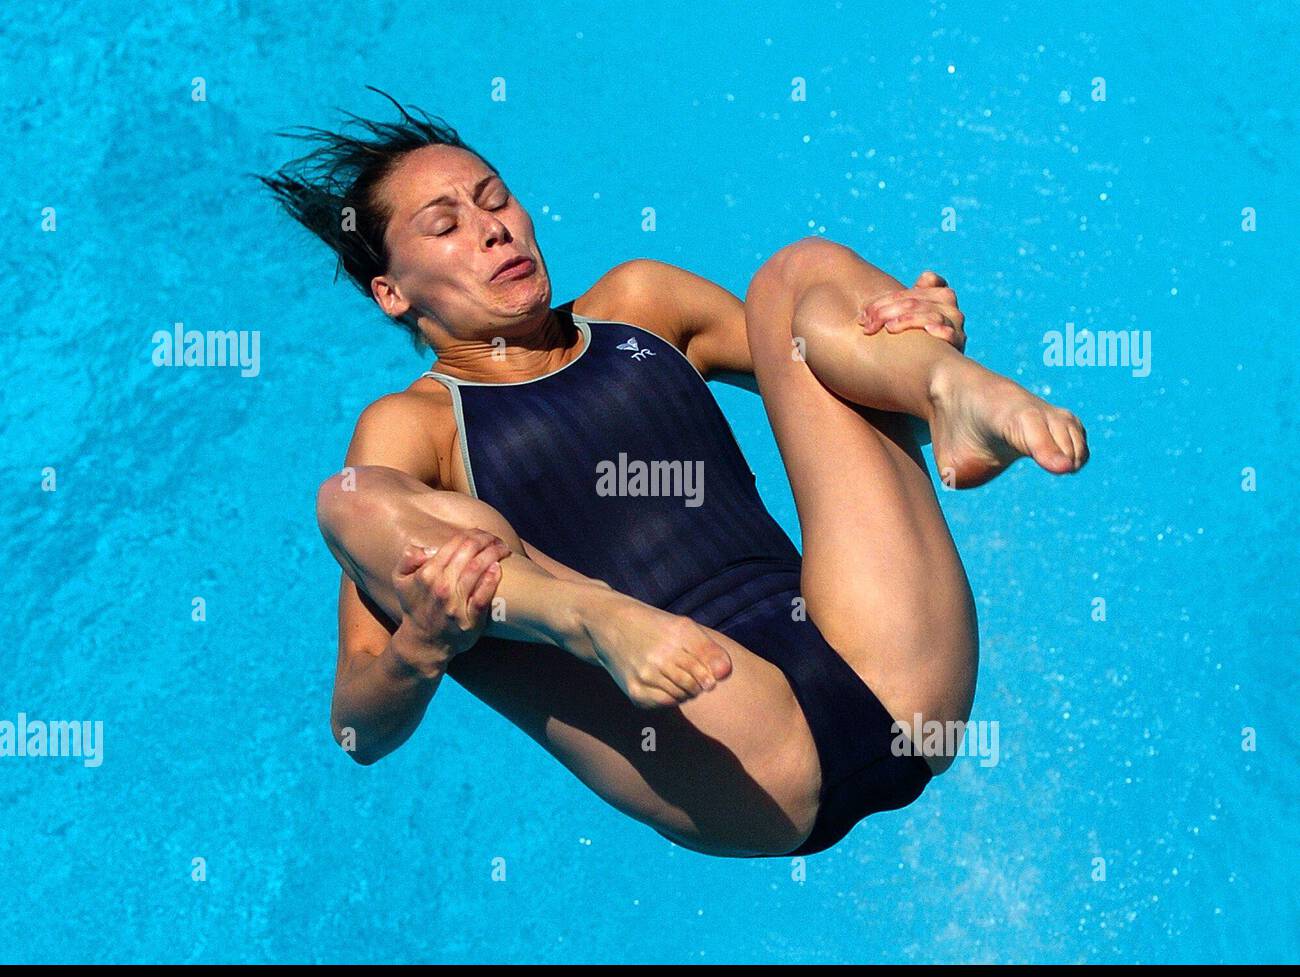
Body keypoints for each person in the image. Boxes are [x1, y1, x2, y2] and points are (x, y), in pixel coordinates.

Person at [260, 95, 1088, 858]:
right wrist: (427, 639)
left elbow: (828, 366)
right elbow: (358, 732)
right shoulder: (418, 426)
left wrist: (907, 331)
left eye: (494, 198)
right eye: (446, 224)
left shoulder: (641, 305)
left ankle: (959, 394)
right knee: (356, 497)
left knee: (798, 276)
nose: (493, 230)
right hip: (734, 745)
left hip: (897, 667)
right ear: (391, 293)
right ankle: (591, 620)